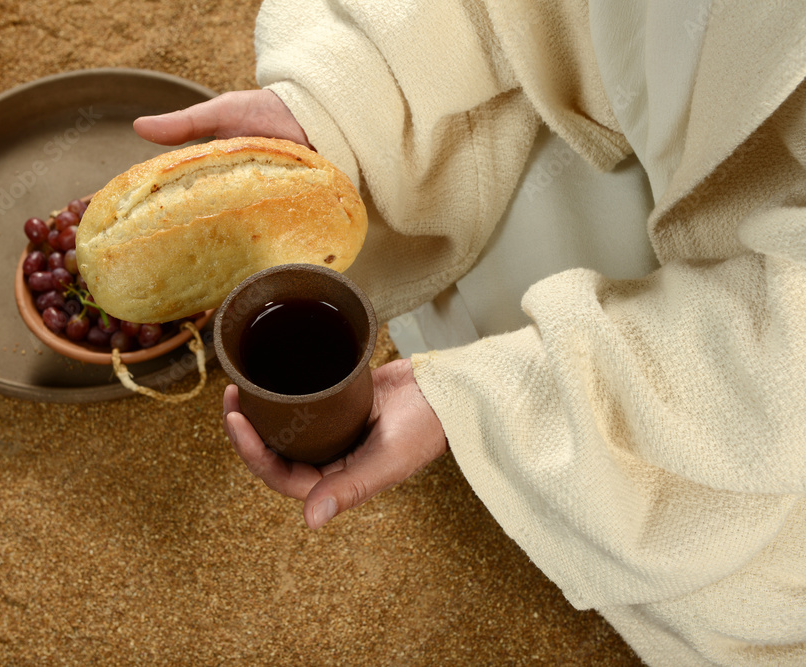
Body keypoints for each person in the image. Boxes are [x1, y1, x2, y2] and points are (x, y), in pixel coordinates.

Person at [135, 1, 806, 664]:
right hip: (641, 111)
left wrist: (504, 395)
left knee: (709, 557)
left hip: (765, 359)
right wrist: (343, 99)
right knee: (467, 173)